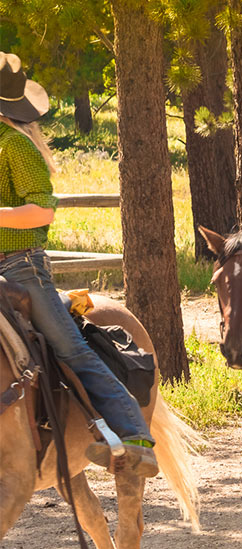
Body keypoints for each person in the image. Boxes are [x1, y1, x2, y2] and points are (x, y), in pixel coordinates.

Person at [0, 52, 158, 476]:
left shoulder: (15, 145)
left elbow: (42, 212)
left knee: (73, 351)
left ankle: (135, 437)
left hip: (20, 268)